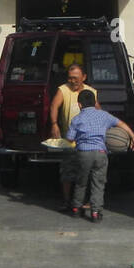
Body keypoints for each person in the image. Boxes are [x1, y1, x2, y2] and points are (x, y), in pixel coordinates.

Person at [64, 89, 134, 222]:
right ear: (95, 102)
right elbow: (121, 124)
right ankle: (96, 212)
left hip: (83, 153)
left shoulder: (77, 119)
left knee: (81, 182)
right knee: (98, 183)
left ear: (80, 105)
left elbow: (69, 138)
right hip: (101, 153)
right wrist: (133, 137)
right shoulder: (104, 115)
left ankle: (76, 209)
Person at [48, 64, 98, 211]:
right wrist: (54, 124)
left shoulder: (91, 92)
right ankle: (67, 201)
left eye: (76, 78)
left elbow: (98, 110)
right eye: (70, 78)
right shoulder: (63, 90)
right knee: (67, 172)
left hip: (87, 142)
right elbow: (54, 106)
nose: (72, 81)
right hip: (70, 140)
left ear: (84, 77)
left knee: (87, 172)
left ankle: (86, 201)